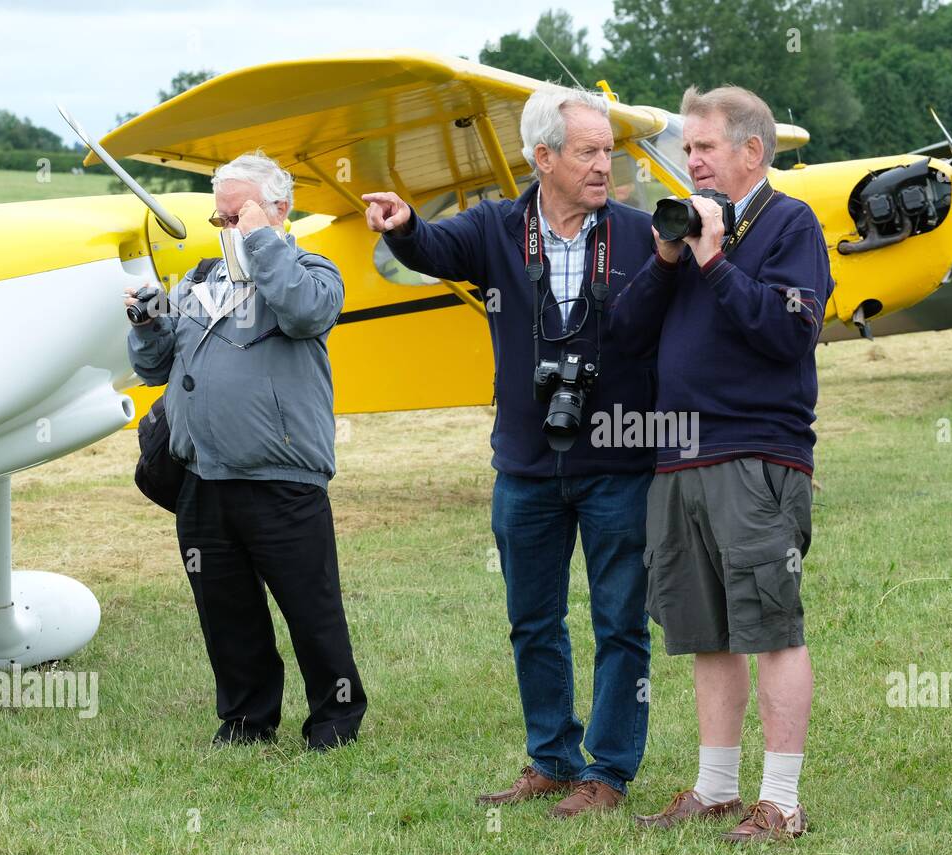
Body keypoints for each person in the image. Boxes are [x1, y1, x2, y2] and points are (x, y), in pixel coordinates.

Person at [362, 86, 658, 816]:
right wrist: (402, 225)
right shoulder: (497, 229)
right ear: (543, 158)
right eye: (587, 151)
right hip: (525, 467)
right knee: (533, 620)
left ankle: (609, 774)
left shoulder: (644, 234)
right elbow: (432, 247)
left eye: (607, 151)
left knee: (620, 623)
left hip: (619, 465)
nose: (602, 165)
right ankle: (552, 759)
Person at [612, 86, 832, 842]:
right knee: (705, 630)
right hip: (677, 456)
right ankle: (713, 789)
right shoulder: (677, 232)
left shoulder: (790, 223)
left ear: (751, 152)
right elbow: (627, 335)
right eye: (688, 148)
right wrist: (670, 257)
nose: (691, 162)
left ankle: (782, 801)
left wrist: (711, 262)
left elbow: (785, 332)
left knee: (771, 625)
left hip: (756, 454)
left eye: (704, 148)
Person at [126, 150, 367, 751]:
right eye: (222, 220)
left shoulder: (312, 271)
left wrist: (261, 242)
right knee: (226, 610)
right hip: (201, 477)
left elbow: (306, 311)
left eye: (240, 216)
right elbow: (154, 367)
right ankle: (245, 719)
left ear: (278, 211)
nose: (228, 230)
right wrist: (147, 321)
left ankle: (335, 722)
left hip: (282, 478)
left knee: (311, 609)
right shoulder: (200, 284)